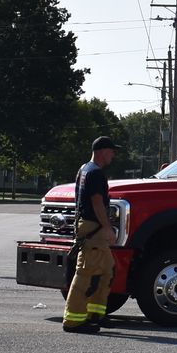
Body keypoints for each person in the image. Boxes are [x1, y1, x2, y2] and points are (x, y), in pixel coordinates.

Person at [63, 135, 118, 333]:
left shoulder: (84, 169)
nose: (113, 155)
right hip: (94, 229)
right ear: (102, 151)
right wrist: (107, 227)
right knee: (85, 273)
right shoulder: (95, 173)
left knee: (107, 270)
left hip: (91, 228)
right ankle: (73, 320)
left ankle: (95, 314)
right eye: (112, 151)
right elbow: (97, 202)